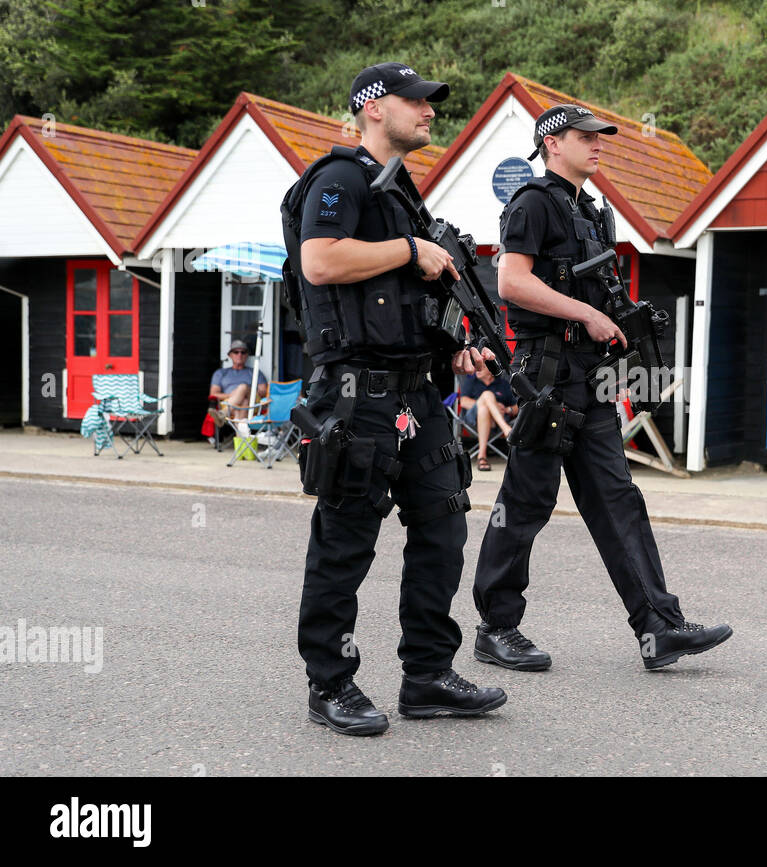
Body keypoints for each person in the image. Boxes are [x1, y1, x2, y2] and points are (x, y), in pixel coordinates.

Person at [471, 104, 732, 673]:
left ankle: (659, 627)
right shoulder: (533, 203)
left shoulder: (592, 212)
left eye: (600, 137)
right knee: (526, 503)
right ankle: (496, 627)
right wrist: (585, 315)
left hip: (591, 378)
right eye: (585, 137)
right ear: (552, 143)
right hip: (548, 375)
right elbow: (512, 281)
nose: (598, 145)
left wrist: (620, 321)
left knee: (619, 502)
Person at [288, 62, 505, 736]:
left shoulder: (402, 194)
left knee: (443, 528)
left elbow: (401, 303)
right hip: (358, 399)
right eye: (416, 101)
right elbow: (320, 261)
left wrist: (454, 348)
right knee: (345, 542)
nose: (430, 111)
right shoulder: (341, 178)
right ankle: (331, 682)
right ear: (373, 108)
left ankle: (428, 674)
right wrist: (409, 248)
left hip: (420, 396)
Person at [458, 368, 516, 471]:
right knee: (486, 396)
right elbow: (463, 402)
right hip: (473, 422)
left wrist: (508, 409)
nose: (477, 369)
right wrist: (490, 403)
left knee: (484, 408)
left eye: (481, 367)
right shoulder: (471, 381)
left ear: (490, 369)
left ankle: (482, 456)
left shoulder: (503, 384)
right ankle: (506, 429)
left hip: (495, 424)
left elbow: (516, 407)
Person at [208, 340, 268, 420]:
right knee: (244, 402)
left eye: (243, 352)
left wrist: (244, 391)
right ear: (230, 355)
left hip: (253, 404)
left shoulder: (255, 372)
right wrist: (235, 395)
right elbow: (214, 394)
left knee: (243, 387)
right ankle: (240, 432)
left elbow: (264, 392)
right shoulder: (221, 373)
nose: (239, 355)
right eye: (236, 352)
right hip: (231, 403)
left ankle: (223, 414)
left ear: (247, 355)